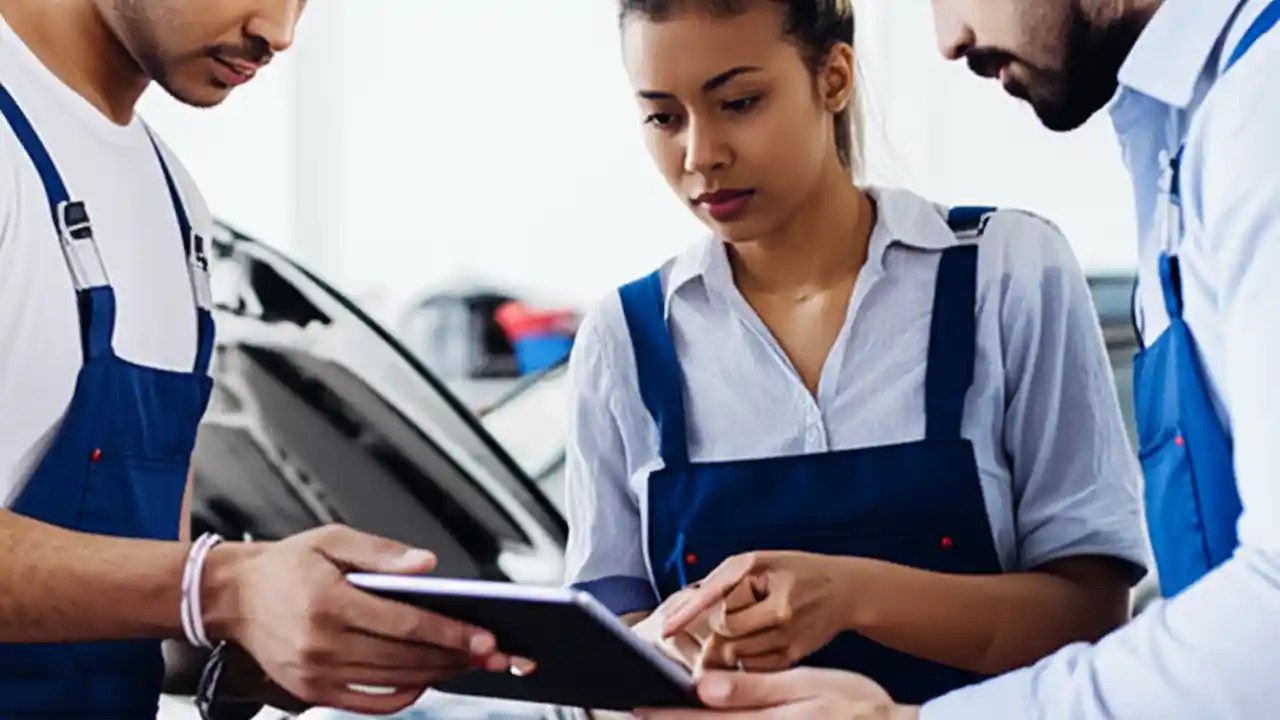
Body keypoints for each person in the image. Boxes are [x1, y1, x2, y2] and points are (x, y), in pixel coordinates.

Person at [634, 0, 1280, 717]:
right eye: (662, 116)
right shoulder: (1183, 137)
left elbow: (1264, 616)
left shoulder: (1261, 117)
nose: (949, 41)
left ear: (832, 80)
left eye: (741, 100)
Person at [0, 0, 511, 718]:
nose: (280, 31)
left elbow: (134, 598)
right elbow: (188, 582)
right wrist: (220, 586)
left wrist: (253, 642)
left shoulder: (175, 204)